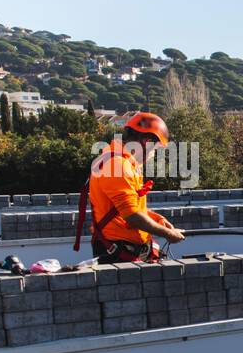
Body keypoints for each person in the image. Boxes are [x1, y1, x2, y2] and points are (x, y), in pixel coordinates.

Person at [75, 112, 185, 263]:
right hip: (118, 249)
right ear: (146, 142)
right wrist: (167, 233)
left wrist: (158, 219)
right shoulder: (117, 165)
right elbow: (132, 217)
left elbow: (130, 207)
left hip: (127, 246)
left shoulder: (125, 162)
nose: (154, 154)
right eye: (155, 149)